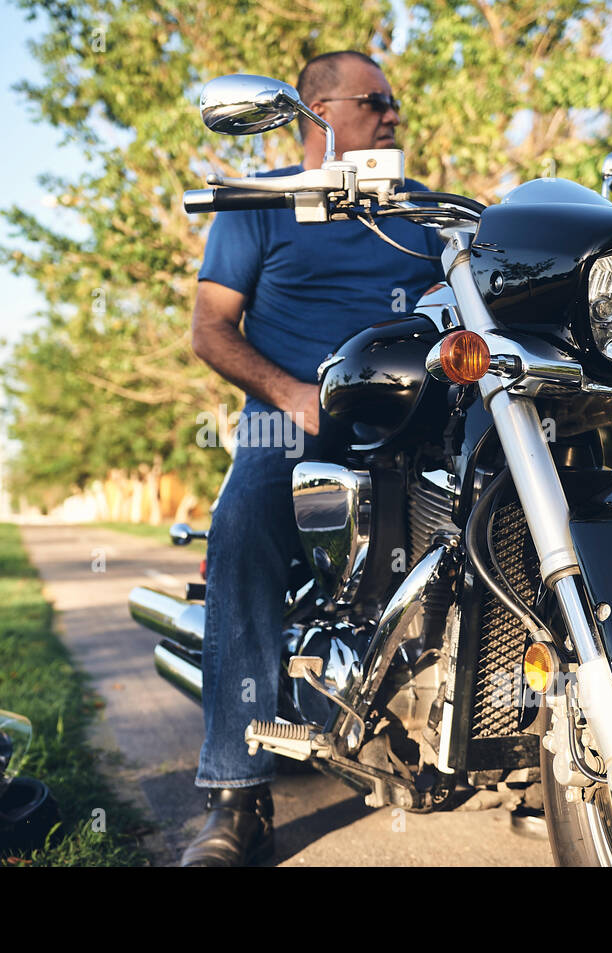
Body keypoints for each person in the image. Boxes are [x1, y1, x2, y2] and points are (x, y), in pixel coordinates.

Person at [181, 50, 445, 866]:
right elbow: (211, 329)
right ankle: (236, 793)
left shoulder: (424, 210)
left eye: (394, 101)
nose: (395, 114)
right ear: (320, 112)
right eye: (378, 100)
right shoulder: (260, 204)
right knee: (244, 528)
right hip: (295, 407)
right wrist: (291, 392)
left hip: (415, 404)